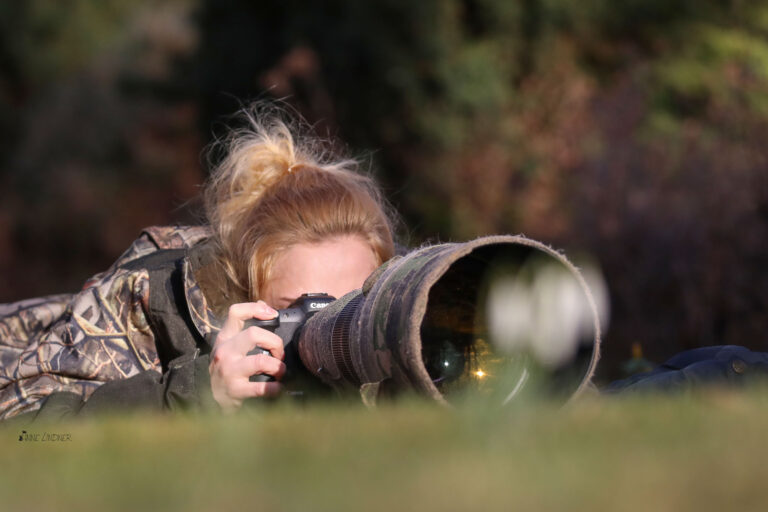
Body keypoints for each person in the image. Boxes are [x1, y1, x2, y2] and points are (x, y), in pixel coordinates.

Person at [0, 105, 398, 422]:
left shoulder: (387, 336)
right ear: (244, 293)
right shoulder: (150, 304)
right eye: (299, 311)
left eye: (353, 310)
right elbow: (25, 440)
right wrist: (192, 393)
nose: (335, 334)